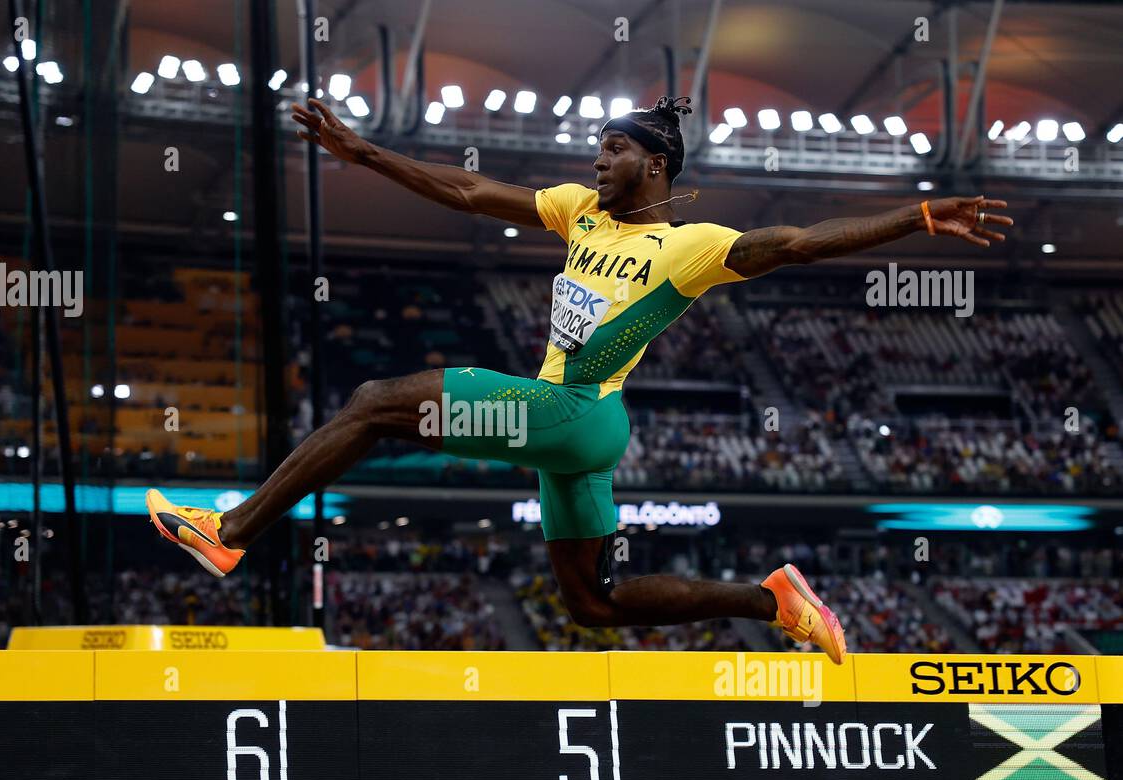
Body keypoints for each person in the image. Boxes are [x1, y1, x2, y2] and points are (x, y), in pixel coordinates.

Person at [147, 96, 1013, 664]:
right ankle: (772, 601)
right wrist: (367, 154)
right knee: (592, 609)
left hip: (572, 411)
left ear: (657, 165)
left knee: (376, 403)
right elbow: (473, 190)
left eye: (613, 150)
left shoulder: (692, 246)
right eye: (596, 150)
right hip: (581, 431)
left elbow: (795, 241)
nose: (596, 161)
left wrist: (916, 214)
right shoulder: (579, 211)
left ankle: (230, 529)